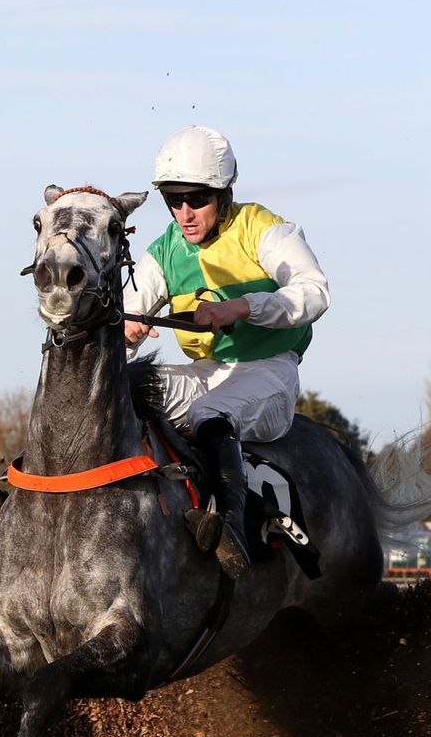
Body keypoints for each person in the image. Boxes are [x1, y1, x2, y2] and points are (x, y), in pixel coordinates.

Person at [123, 126, 331, 579]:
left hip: (269, 373)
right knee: (120, 392)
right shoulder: (165, 250)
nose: (184, 213)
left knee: (209, 416)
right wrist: (129, 326)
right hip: (207, 371)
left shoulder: (263, 229)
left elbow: (314, 293)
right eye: (173, 200)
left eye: (196, 199)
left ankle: (230, 530)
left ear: (224, 193)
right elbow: (129, 309)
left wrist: (244, 307)